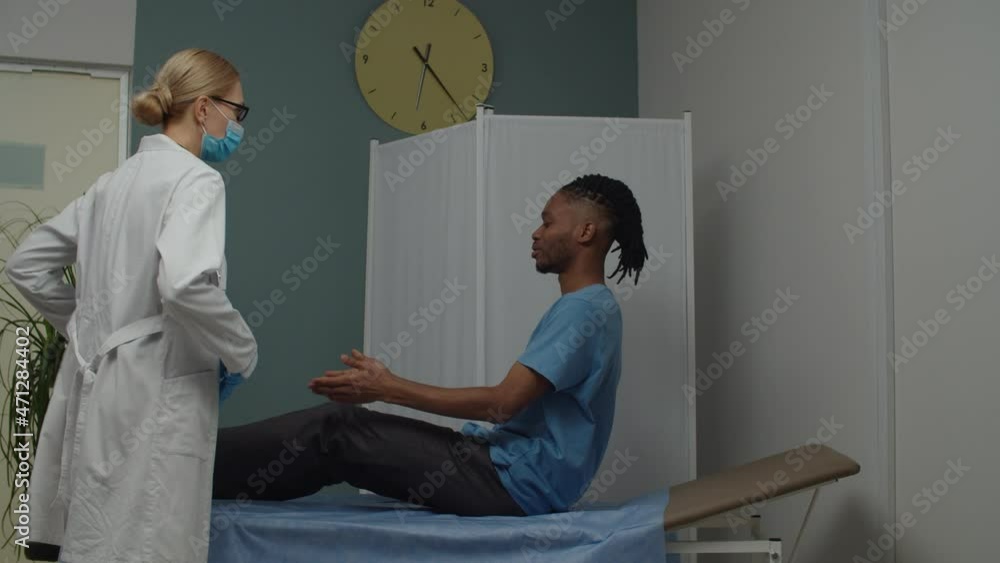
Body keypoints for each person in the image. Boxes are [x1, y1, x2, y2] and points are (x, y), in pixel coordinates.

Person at [207, 174, 648, 519]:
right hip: (509, 473)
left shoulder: (585, 311)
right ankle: (207, 475)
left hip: (515, 486)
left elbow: (502, 405)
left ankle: (191, 463)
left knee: (336, 431)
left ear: (586, 231)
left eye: (548, 221)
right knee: (336, 438)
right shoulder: (591, 307)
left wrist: (387, 386)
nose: (536, 232)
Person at [10, 48, 258, 563]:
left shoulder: (111, 184)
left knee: (99, 534)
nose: (239, 125)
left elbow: (26, 265)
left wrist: (93, 324)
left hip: (101, 384)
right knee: (150, 538)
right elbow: (185, 285)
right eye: (238, 112)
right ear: (204, 108)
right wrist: (240, 351)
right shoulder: (195, 180)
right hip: (156, 386)